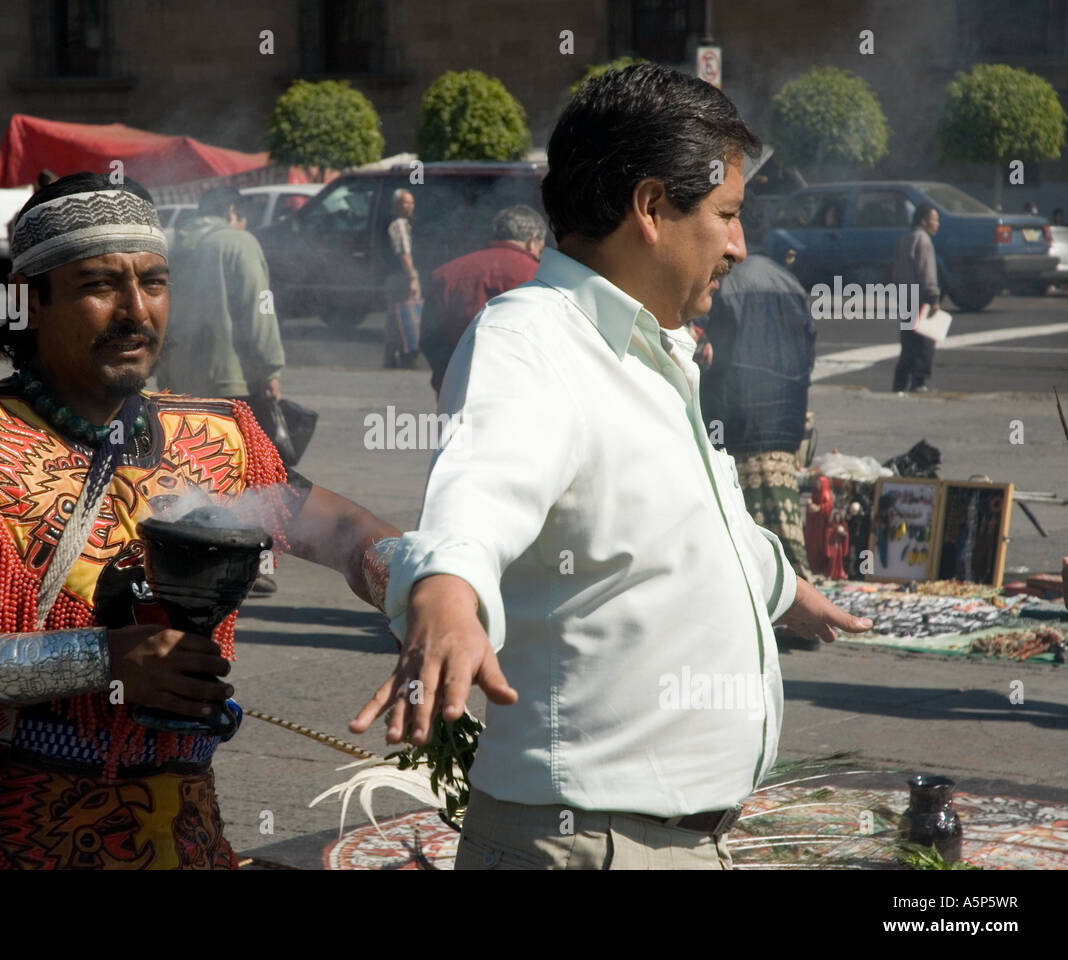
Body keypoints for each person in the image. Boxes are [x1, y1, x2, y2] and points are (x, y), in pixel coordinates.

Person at [348, 63, 871, 870]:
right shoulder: (533, 340)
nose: (739, 244)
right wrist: (447, 593)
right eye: (728, 215)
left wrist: (781, 588)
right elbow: (479, 495)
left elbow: (688, 526)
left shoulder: (652, 348)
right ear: (653, 208)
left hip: (662, 842)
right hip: (589, 846)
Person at [0, 172, 400, 870]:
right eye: (98, 285)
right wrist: (104, 662)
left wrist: (425, 592)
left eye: (154, 282)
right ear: (32, 299)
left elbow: (348, 536)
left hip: (189, 846)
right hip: (18, 850)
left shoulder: (218, 440)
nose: (134, 311)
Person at [155, 186, 287, 594]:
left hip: (178, 378)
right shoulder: (237, 241)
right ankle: (247, 561)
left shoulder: (171, 246)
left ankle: (188, 555)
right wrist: (269, 365)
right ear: (233, 211)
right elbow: (259, 305)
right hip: (231, 378)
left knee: (189, 468)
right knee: (245, 471)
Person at [698, 253, 817, 579]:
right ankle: (796, 596)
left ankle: (775, 598)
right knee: (784, 521)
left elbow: (709, 354)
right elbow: (808, 353)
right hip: (784, 419)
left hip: (737, 421)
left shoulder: (722, 283)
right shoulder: (788, 282)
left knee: (742, 523)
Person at [419, 205, 545, 394]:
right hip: (521, 392)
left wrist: (450, 377)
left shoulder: (445, 274)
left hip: (456, 391)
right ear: (533, 241)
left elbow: (430, 339)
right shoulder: (540, 276)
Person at [891, 203, 941, 393]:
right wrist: (933, 298)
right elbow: (927, 273)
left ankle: (900, 382)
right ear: (923, 221)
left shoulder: (905, 239)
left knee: (908, 343)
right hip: (920, 298)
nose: (937, 224)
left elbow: (895, 270)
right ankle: (919, 382)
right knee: (925, 342)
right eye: (935, 220)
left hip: (905, 296)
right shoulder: (924, 241)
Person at [383, 188, 421, 369]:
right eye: (406, 202)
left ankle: (395, 356)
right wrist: (412, 277)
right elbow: (404, 253)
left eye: (412, 202)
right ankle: (403, 356)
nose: (410, 206)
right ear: (397, 205)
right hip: (401, 277)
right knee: (402, 317)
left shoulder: (405, 223)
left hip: (401, 276)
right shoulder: (399, 224)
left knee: (398, 317)